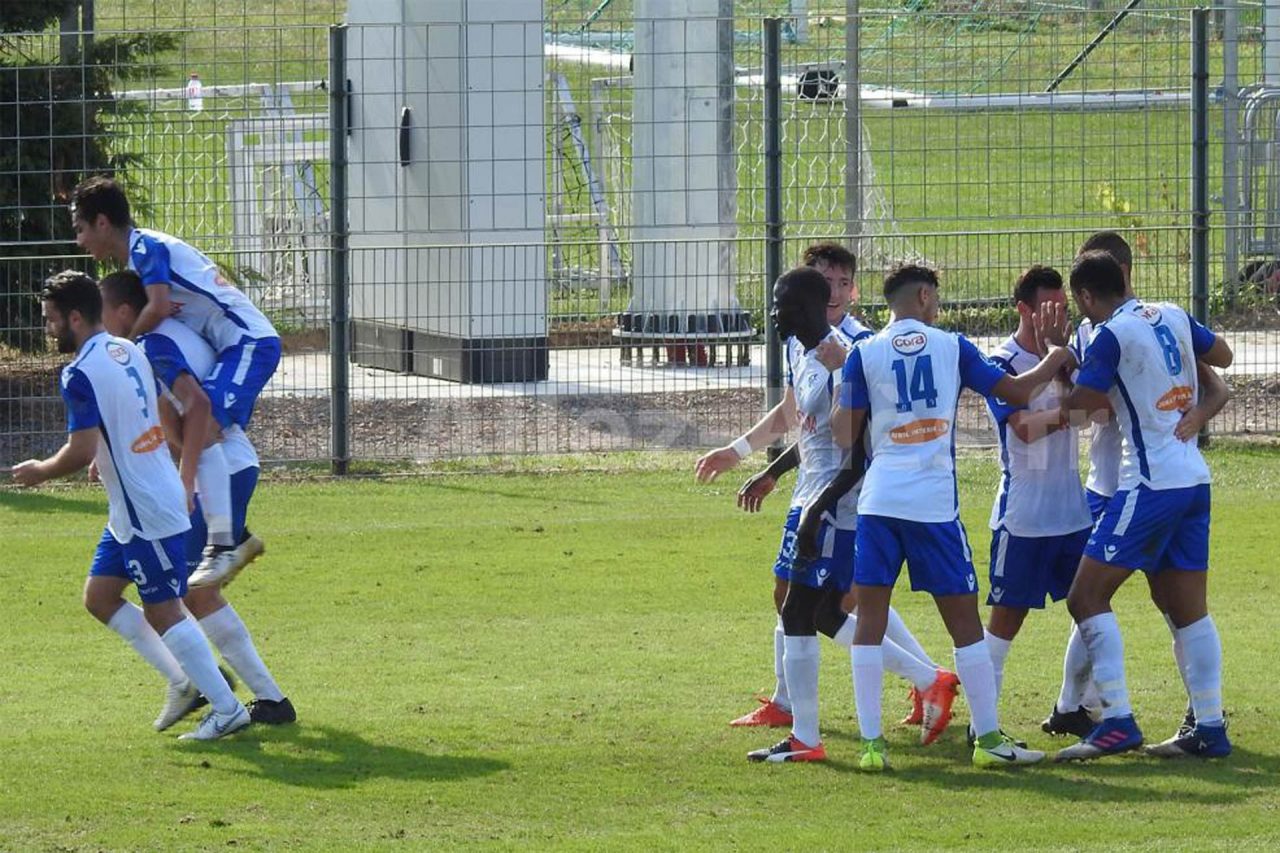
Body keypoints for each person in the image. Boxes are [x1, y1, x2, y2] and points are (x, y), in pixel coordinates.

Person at [831, 262, 1075, 771]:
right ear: (923, 296)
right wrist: (1055, 356)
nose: (937, 306)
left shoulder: (863, 353)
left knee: (870, 622)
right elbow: (1015, 392)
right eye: (936, 298)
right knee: (965, 626)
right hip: (933, 507)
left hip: (878, 504)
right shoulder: (952, 346)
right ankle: (988, 740)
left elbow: (841, 434)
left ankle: (872, 747)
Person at [695, 243, 946, 730]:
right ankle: (798, 705)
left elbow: (859, 436)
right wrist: (753, 458)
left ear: (849, 290)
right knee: (805, 601)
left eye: (838, 281)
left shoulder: (857, 349)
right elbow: (797, 416)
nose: (829, 290)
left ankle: (921, 680)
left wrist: (823, 498)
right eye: (820, 279)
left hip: (841, 496)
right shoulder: (800, 343)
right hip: (811, 488)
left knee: (836, 605)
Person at [11, 270, 249, 740]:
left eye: (51, 319)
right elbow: (147, 415)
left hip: (147, 509)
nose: (47, 329)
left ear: (74, 318)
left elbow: (78, 450)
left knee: (164, 611)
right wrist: (110, 452)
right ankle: (183, 683)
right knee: (99, 597)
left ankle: (226, 708)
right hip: (135, 504)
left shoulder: (78, 373)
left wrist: (41, 470)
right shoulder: (128, 350)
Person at [746, 268, 959, 763]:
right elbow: (811, 433)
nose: (774, 313)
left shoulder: (847, 360)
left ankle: (809, 736)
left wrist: (819, 509)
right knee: (809, 611)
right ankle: (928, 682)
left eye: (783, 304)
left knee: (808, 610)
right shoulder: (803, 354)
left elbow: (856, 449)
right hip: (810, 498)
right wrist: (776, 476)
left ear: (809, 307)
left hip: (838, 506)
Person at [1053, 251, 1234, 761]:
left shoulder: (1110, 333)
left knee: (1084, 598)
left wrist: (1059, 362)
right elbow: (1222, 355)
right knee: (1188, 610)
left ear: (1087, 296)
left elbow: (1083, 410)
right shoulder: (1172, 313)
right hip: (1193, 480)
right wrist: (1192, 406)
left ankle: (1116, 720)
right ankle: (1210, 727)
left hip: (1148, 483)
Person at [98, 271, 294, 725]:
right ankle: (222, 690)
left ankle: (248, 698)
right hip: (179, 480)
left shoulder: (153, 345)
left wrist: (184, 483)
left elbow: (198, 413)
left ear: (124, 312)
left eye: (101, 310)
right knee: (110, 593)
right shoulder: (141, 348)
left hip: (216, 472)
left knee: (188, 593)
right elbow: (168, 419)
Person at [70, 176, 279, 587]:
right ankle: (236, 536)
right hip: (227, 346)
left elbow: (160, 306)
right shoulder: (136, 264)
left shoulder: (145, 247)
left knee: (208, 425)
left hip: (248, 341)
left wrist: (120, 350)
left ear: (102, 222)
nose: (79, 241)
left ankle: (223, 545)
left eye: (79, 228)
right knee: (192, 428)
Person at [980, 266, 1097, 740]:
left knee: (1093, 606)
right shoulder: (1002, 362)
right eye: (1049, 307)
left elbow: (1091, 415)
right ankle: (982, 726)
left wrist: (1063, 369)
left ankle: (1076, 707)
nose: (1058, 317)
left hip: (1072, 509)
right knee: (1006, 621)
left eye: (1063, 308)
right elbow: (1024, 428)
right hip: (1023, 515)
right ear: (1023, 309)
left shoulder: (1069, 358)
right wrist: (1060, 377)